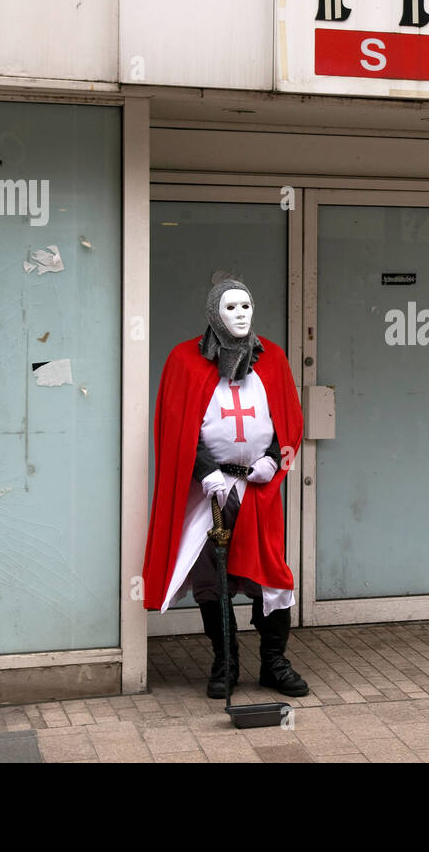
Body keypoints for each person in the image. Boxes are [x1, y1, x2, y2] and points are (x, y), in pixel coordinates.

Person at [141, 276, 309, 698]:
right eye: (231, 308)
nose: (240, 315)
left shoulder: (271, 358)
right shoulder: (185, 359)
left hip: (258, 487)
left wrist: (274, 458)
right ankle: (226, 662)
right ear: (215, 312)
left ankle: (274, 663)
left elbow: (287, 415)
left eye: (246, 307)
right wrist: (206, 471)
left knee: (271, 572)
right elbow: (176, 427)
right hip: (210, 490)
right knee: (210, 576)